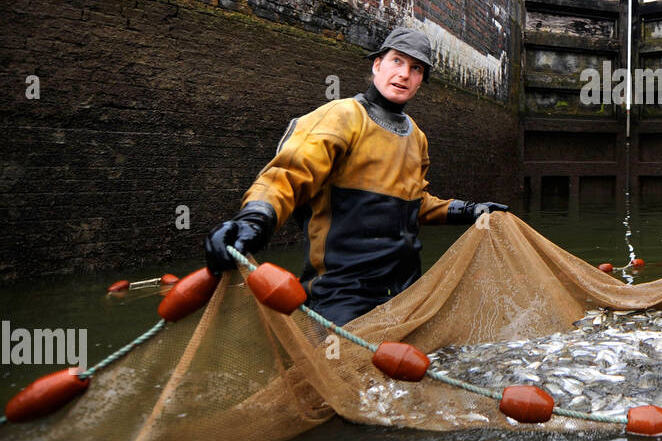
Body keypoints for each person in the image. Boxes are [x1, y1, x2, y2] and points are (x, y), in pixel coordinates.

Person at [204, 26, 508, 325]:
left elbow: (414, 203)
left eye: (416, 69)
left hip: (406, 293)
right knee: (342, 369)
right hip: (341, 297)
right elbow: (286, 176)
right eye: (397, 61)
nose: (404, 74)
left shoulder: (417, 137)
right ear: (377, 65)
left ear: (420, 82)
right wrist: (253, 222)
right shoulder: (340, 115)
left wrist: (469, 210)